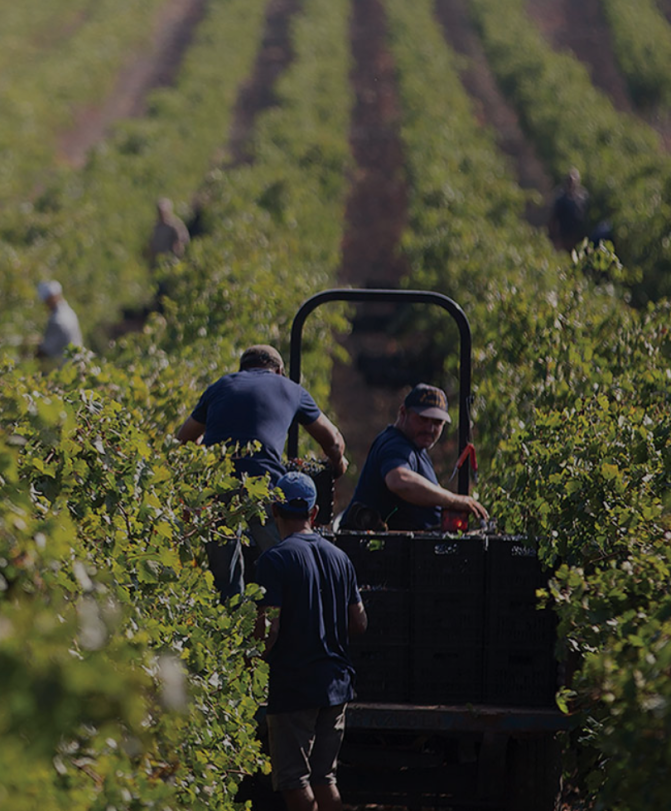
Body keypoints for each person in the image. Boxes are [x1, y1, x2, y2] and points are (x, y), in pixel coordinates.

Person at [175, 344, 348, 601]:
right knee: (284, 560)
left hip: (215, 485)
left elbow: (183, 439)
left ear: (242, 370)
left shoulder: (220, 386)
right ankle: (289, 620)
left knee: (225, 576)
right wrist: (338, 463)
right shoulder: (290, 388)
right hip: (263, 486)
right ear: (279, 371)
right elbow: (333, 440)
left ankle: (232, 629)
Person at [255, 471, 367, 811]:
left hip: (294, 688)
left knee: (294, 782)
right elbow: (359, 623)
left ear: (275, 510)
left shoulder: (273, 561)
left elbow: (269, 630)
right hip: (335, 686)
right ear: (314, 513)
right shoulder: (339, 558)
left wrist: (249, 662)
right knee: (324, 778)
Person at [348, 384, 489, 531]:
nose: (430, 429)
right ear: (403, 413)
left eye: (437, 422)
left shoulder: (417, 449)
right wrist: (453, 500)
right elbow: (398, 480)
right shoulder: (395, 444)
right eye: (423, 419)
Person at [36, 280, 83, 366]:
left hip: (64, 369)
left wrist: (30, 351)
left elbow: (46, 350)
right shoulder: (69, 313)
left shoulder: (56, 320)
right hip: (76, 364)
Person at [547, 168, 589, 251]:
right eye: (569, 181)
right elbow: (554, 216)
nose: (571, 184)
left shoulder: (582, 196)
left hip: (577, 232)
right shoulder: (561, 198)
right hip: (564, 232)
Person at [144, 197, 190, 266]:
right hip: (157, 262)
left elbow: (183, 242)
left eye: (163, 212)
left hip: (171, 261)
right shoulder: (156, 226)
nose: (161, 214)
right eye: (159, 212)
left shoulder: (176, 224)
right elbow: (152, 243)